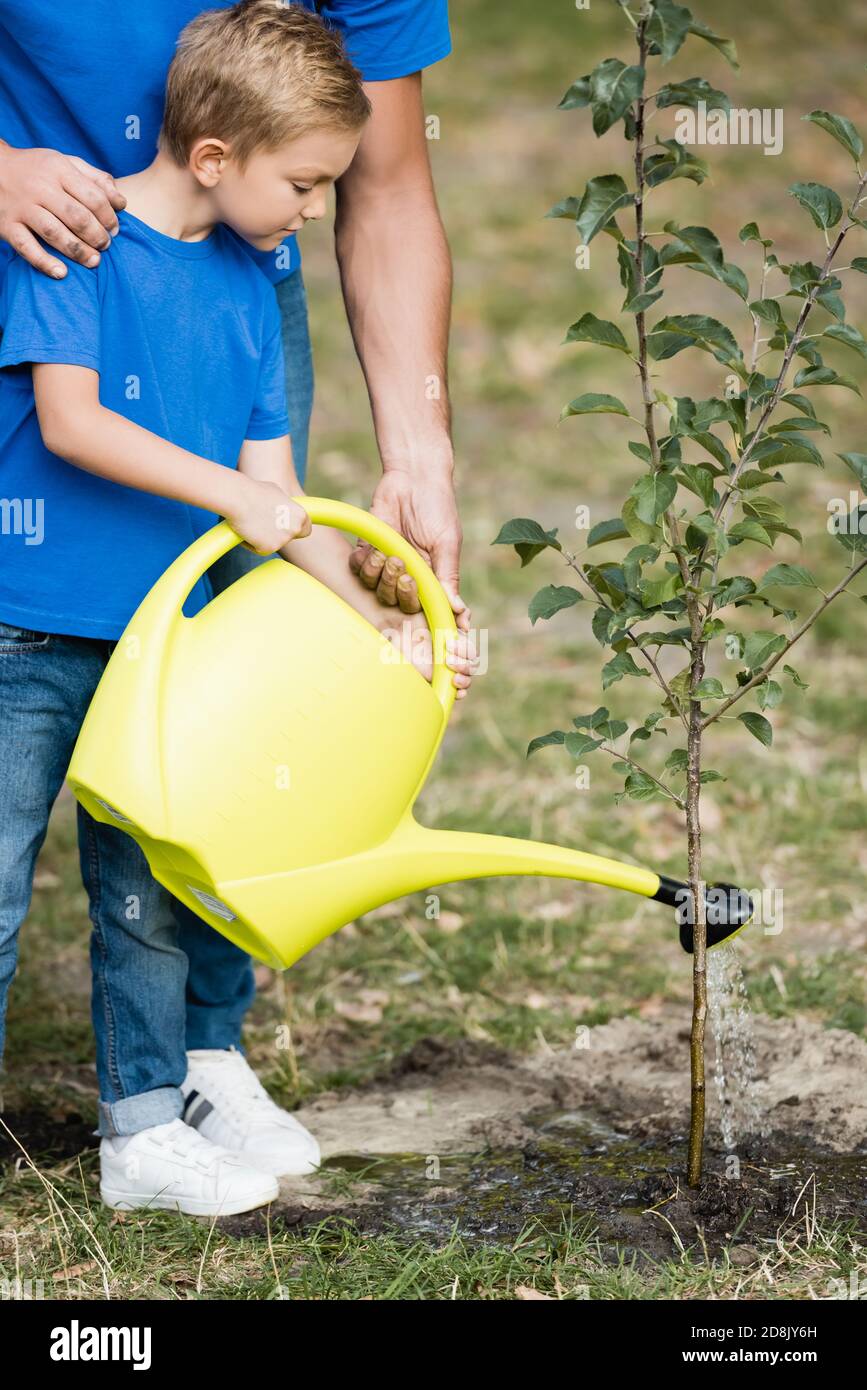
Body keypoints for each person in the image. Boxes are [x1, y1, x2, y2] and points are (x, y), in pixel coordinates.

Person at [0, 0, 473, 1215]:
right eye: (307, 185)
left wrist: (385, 627)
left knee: (149, 889)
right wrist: (232, 495)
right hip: (28, 625)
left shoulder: (256, 293)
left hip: (164, 645)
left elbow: (278, 510)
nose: (318, 211)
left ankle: (147, 1128)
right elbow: (72, 422)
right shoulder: (73, 244)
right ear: (216, 158)